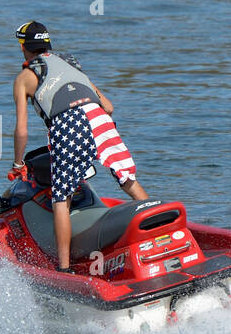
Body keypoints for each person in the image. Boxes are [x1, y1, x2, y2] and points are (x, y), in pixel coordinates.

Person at [9, 21, 149, 273]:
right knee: (127, 180)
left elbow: (21, 130)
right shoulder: (69, 63)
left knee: (61, 198)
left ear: (23, 48)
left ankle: (63, 269)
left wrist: (18, 164)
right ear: (48, 43)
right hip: (98, 118)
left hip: (69, 124)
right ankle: (159, 237)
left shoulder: (24, 78)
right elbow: (108, 106)